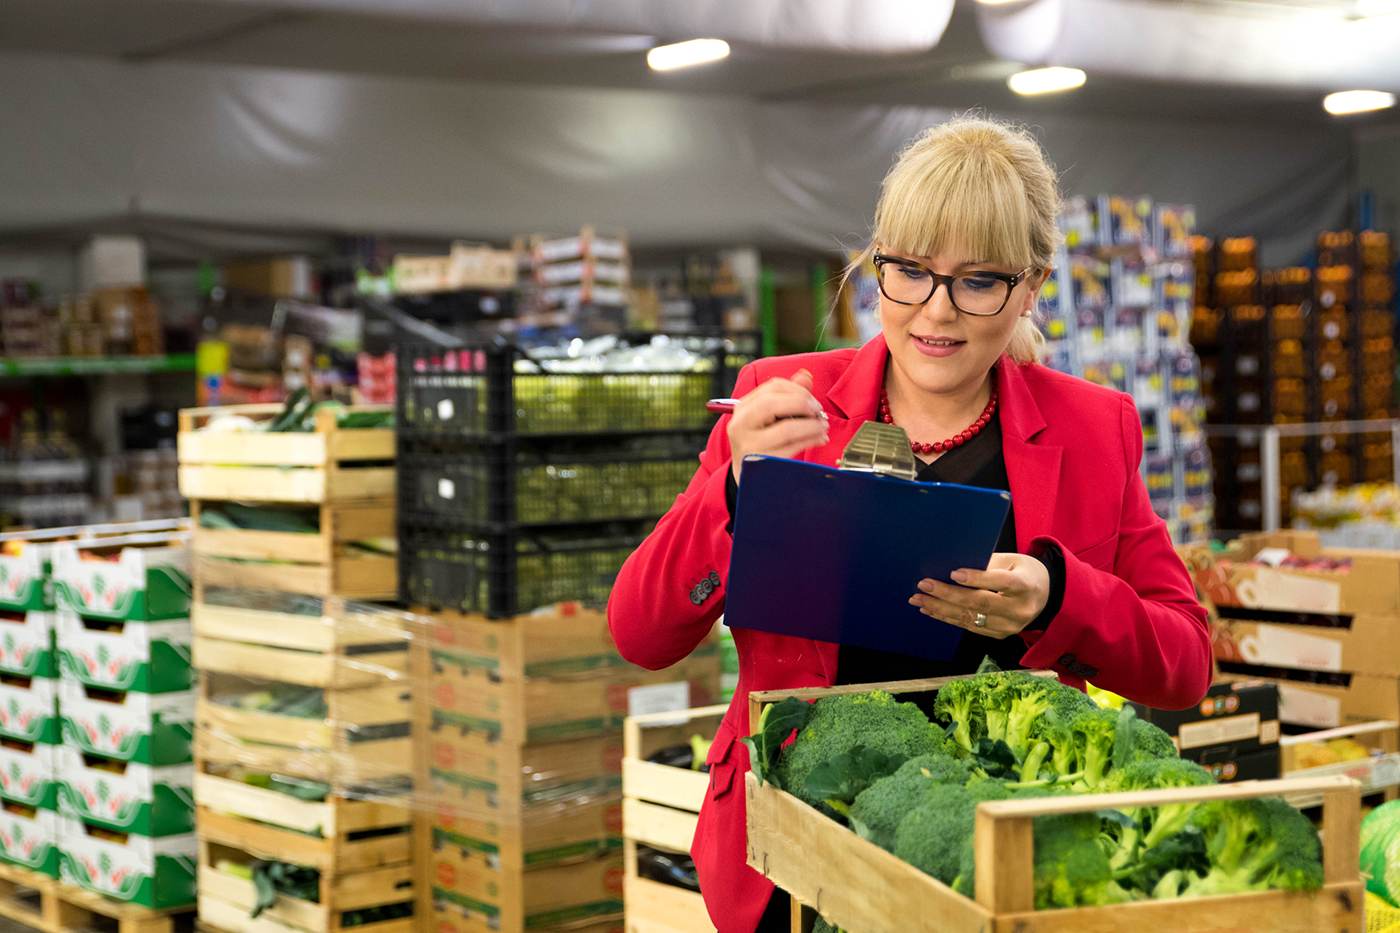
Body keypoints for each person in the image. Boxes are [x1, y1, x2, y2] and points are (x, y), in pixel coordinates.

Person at [606, 116, 1213, 933]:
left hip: (995, 865)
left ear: (1030, 286)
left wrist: (1060, 595)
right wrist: (735, 488)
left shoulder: (1093, 429)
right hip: (792, 853)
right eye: (911, 271)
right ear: (876, 264)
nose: (936, 310)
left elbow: (1185, 662)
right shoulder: (780, 401)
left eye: (978, 281)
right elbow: (640, 631)